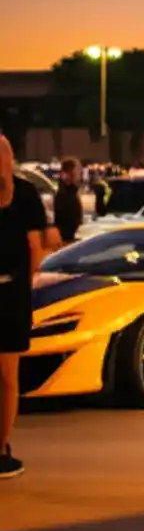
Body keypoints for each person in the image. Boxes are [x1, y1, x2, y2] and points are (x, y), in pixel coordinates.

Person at [0, 133, 47, 478]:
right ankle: (1, 448)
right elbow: (36, 247)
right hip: (12, 292)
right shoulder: (26, 194)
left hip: (11, 293)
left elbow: (35, 246)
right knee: (5, 377)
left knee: (5, 376)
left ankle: (1, 447)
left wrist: (24, 285)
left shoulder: (27, 195)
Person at [53, 157, 83, 245]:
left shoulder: (71, 191)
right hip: (67, 240)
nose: (80, 172)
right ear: (71, 172)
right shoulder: (64, 193)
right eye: (77, 169)